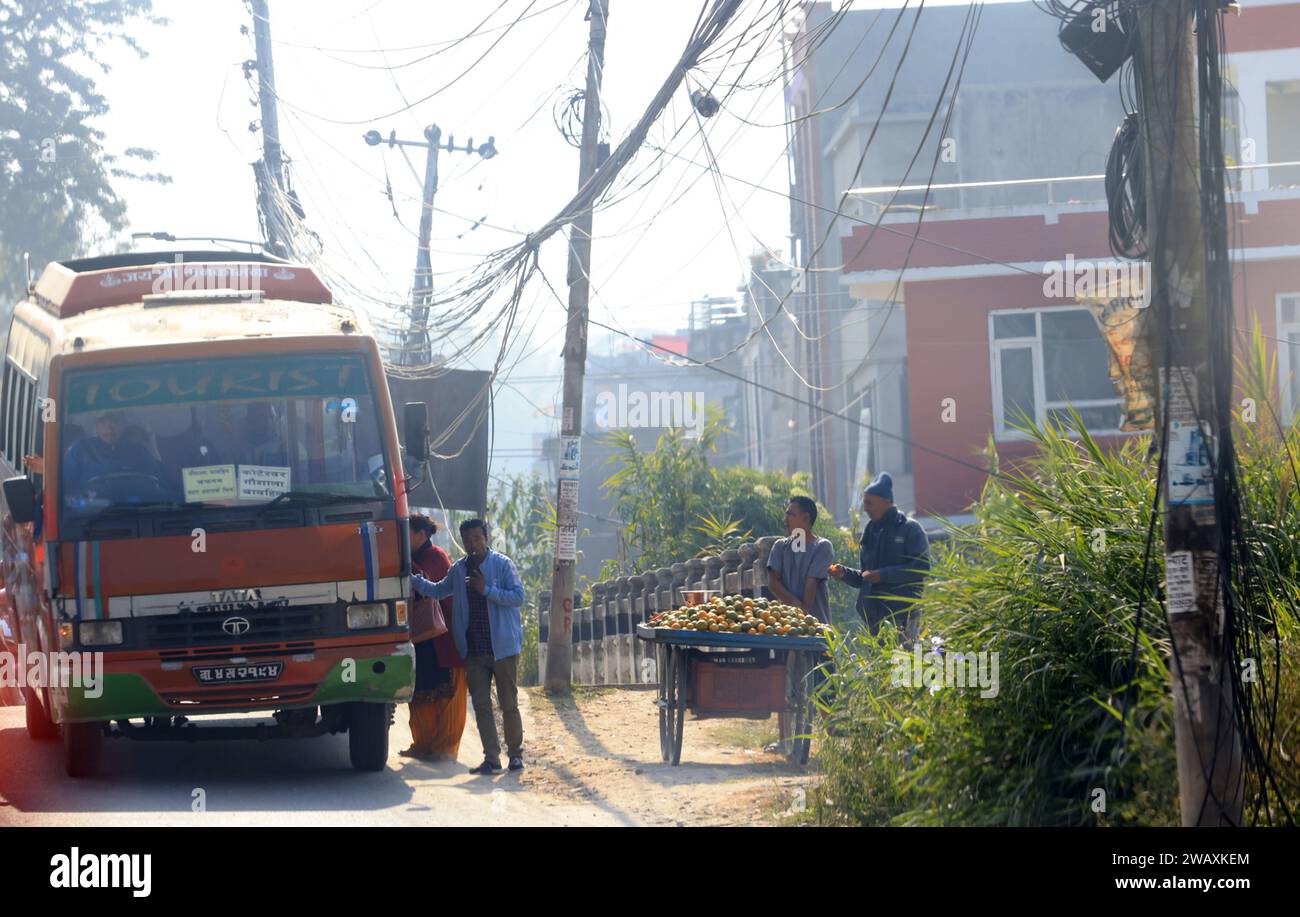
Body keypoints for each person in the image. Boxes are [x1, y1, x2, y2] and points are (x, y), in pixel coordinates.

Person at [409, 518, 526, 775]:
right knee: (482, 707)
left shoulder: (503, 564)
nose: (472, 544)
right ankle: (492, 759)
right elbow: (439, 591)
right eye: (468, 540)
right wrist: (414, 580)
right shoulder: (459, 569)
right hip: (473, 651)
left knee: (508, 704)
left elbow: (518, 597)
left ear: (486, 537)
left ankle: (515, 755)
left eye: (477, 538)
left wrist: (486, 589)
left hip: (503, 649)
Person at [830, 472, 930, 645]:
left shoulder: (909, 529)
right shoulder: (871, 531)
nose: (865, 508)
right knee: (880, 668)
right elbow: (866, 577)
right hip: (874, 618)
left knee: (904, 665)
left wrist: (883, 575)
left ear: (886, 502)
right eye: (864, 502)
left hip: (902, 617)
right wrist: (844, 574)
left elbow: (922, 567)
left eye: (869, 503)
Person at [400, 514, 467, 761]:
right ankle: (423, 744)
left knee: (446, 694)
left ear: (421, 534)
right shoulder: (413, 558)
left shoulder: (436, 556)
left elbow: (431, 588)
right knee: (420, 690)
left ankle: (444, 748)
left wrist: (408, 566)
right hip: (423, 637)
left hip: (444, 637)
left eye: (407, 533)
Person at [765, 496, 835, 623]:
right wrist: (793, 603)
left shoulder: (822, 546)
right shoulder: (780, 546)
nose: (785, 519)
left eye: (790, 515)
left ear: (806, 518)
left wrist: (803, 614)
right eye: (786, 514)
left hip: (818, 625)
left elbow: (811, 582)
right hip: (787, 626)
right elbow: (773, 582)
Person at [62, 410, 163, 497]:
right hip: (90, 516)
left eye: (115, 421)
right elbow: (64, 490)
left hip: (137, 512)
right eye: (103, 421)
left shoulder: (139, 451)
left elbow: (158, 484)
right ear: (96, 424)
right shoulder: (80, 449)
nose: (109, 428)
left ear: (123, 424)